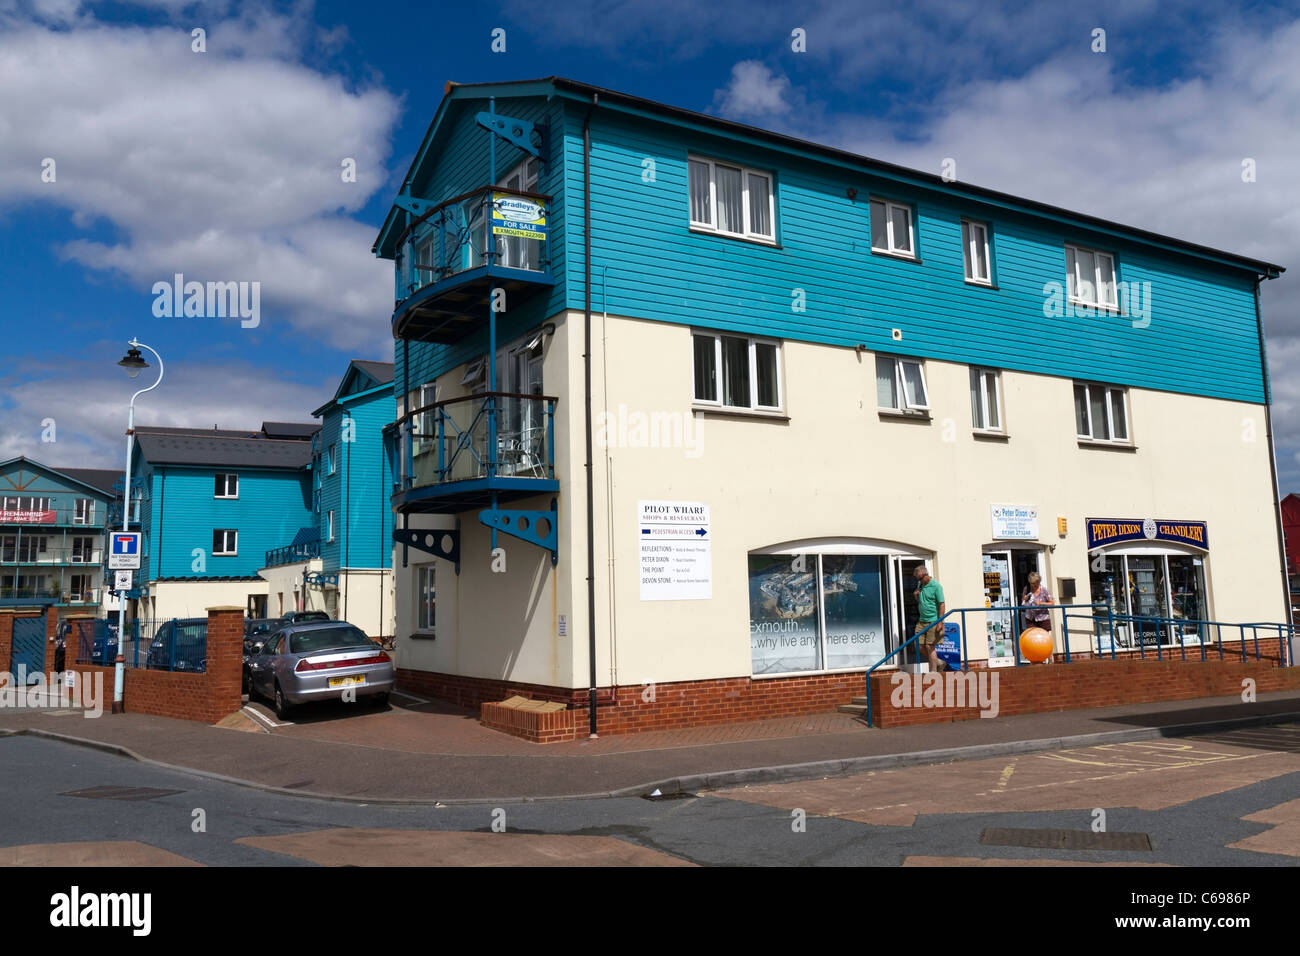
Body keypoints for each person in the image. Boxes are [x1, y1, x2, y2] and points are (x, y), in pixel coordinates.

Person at [912, 564, 947, 671]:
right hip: (922, 620)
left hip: (933, 620)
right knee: (918, 645)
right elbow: (921, 602)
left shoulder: (936, 586)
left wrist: (940, 622)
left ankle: (933, 671)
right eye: (918, 579)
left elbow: (942, 604)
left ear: (926, 575)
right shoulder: (920, 584)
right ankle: (939, 662)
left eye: (921, 579)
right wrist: (916, 595)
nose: (919, 581)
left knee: (929, 646)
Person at [1021, 571, 1055, 662]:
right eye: (1032, 584)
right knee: (1031, 639)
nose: (1033, 586)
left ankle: (1050, 658)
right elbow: (1023, 602)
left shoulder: (1044, 590)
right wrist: (1025, 599)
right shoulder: (1027, 589)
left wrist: (1041, 603)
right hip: (1031, 617)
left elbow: (1052, 603)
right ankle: (1034, 660)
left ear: (1039, 582)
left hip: (1043, 617)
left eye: (1035, 584)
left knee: (1045, 639)